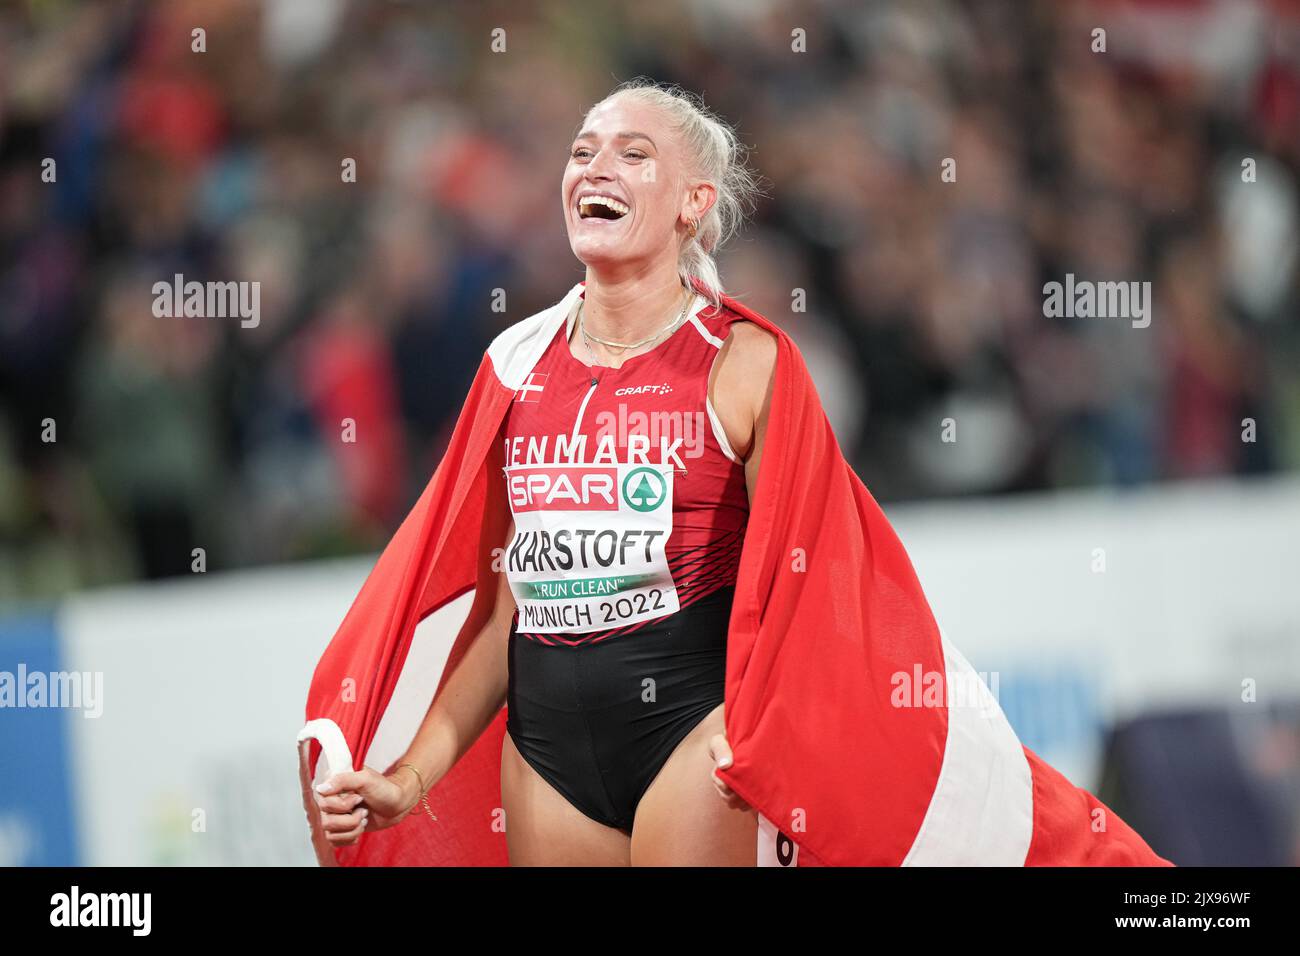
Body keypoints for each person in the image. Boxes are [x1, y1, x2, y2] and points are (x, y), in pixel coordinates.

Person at [311, 79, 772, 864]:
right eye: (582, 152)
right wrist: (409, 779)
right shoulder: (513, 365)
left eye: (634, 155)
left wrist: (766, 733)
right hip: (546, 757)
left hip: (693, 730)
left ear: (694, 202)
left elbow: (796, 579)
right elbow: (501, 622)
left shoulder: (744, 363)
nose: (596, 169)